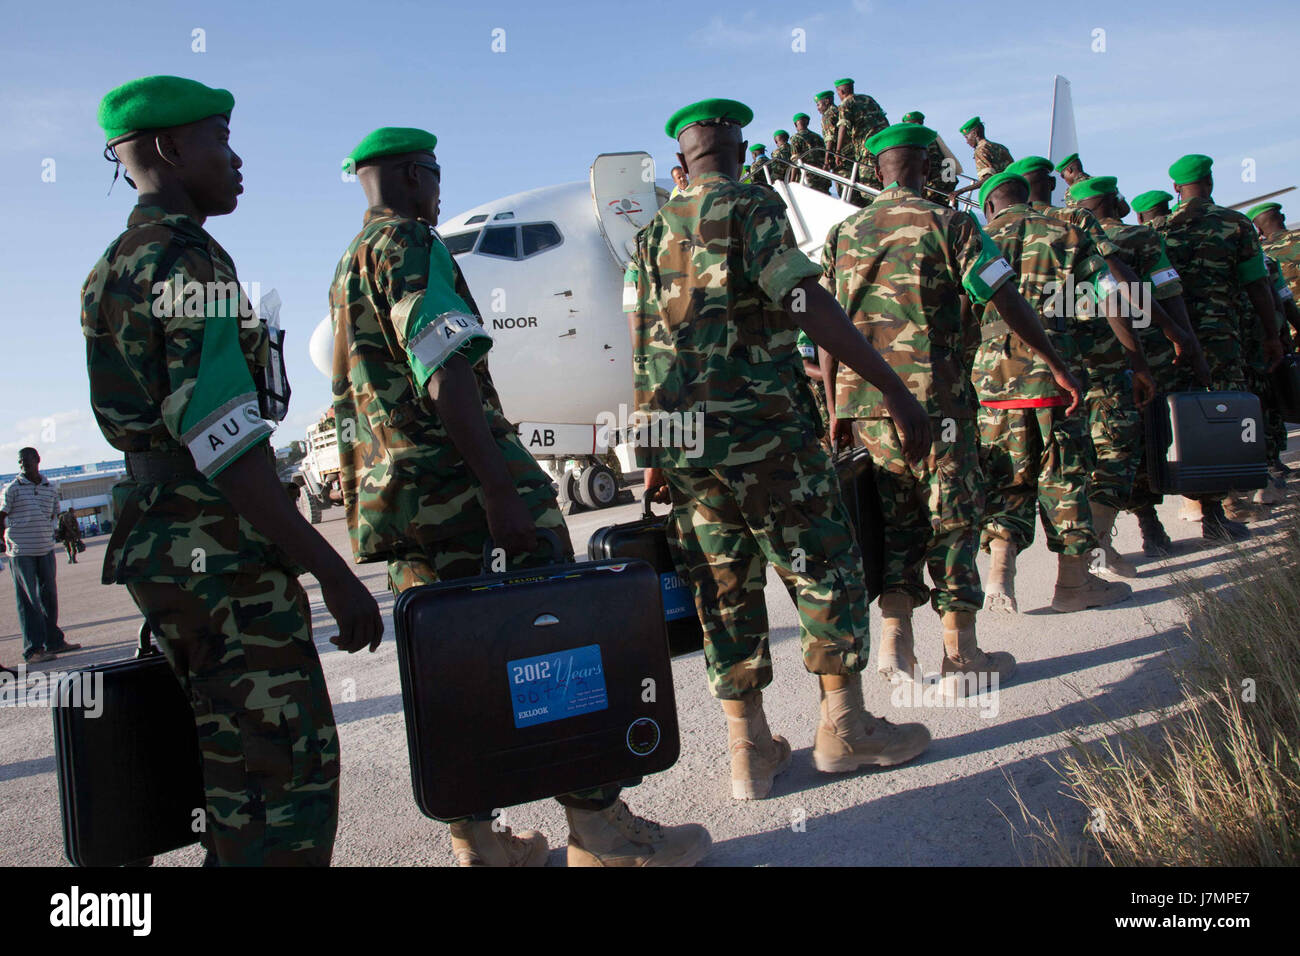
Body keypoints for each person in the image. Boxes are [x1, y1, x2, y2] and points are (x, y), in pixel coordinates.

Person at [332, 126, 709, 867]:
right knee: (562, 639)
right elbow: (446, 370)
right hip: (461, 496)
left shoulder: (346, 265)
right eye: (434, 175)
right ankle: (600, 834)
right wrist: (500, 489)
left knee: (449, 670)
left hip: (401, 507)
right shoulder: (410, 244)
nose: (438, 190)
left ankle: (477, 844)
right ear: (413, 177)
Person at [82, 75, 383, 866]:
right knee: (283, 780)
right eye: (221, 138)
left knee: (236, 768)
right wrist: (332, 572)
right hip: (217, 549)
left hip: (170, 542)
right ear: (171, 148)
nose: (238, 158)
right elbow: (228, 447)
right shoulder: (189, 264)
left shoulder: (115, 264)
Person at [629, 99, 933, 800]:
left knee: (723, 587)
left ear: (682, 161)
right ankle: (846, 732)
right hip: (764, 437)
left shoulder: (649, 236)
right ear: (737, 151)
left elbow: (642, 341)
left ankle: (750, 754)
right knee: (824, 564)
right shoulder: (750, 204)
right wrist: (889, 385)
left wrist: (651, 443)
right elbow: (801, 300)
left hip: (684, 446)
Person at [821, 123, 1081, 689]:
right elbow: (1002, 297)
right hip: (936, 402)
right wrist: (1054, 361)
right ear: (927, 167)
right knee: (953, 520)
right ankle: (961, 656)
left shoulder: (843, 232)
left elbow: (826, 326)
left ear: (876, 168)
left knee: (893, 521)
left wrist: (834, 406)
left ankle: (895, 648)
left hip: (863, 408)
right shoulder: (952, 224)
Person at [972, 171, 1144, 613]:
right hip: (1055, 378)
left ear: (990, 205)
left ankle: (1000, 575)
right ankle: (1072, 585)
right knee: (1063, 478)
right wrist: (1127, 363)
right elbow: (1107, 301)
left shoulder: (974, 237)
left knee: (1006, 478)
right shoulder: (1068, 233)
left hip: (990, 384)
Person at [1069, 175, 1203, 557]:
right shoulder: (1142, 238)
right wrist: (1184, 338)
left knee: (1111, 444)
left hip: (1094, 362)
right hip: (1150, 354)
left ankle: (1146, 524)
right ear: (1114, 202)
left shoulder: (1067, 240)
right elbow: (1167, 291)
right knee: (1157, 434)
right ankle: (1205, 508)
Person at [1159, 154, 1284, 540]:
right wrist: (1271, 333)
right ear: (1209, 182)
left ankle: (1196, 501)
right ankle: (1227, 504)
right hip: (1222, 336)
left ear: (1176, 189)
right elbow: (1257, 284)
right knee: (1225, 414)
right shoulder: (1235, 225)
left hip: (1177, 339)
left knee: (1186, 417)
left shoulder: (1161, 231)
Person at [0, 448, 81, 664]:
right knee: (29, 600)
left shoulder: (49, 488)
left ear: (38, 460)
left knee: (49, 598)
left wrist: (48, 533)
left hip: (45, 549)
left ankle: (54, 642)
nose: (23, 464)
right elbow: (1, 515)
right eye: (20, 461)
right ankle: (33, 650)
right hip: (21, 552)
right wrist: (4, 542)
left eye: (27, 460)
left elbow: (53, 514)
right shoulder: (12, 489)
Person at [833, 77, 888, 204]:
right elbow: (884, 120)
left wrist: (838, 151)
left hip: (867, 150)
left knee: (868, 190)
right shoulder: (868, 99)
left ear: (841, 92)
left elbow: (843, 125)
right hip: (885, 147)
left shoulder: (846, 104)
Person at [901, 110, 955, 205]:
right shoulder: (931, 138)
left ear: (920, 124)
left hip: (935, 187)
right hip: (939, 187)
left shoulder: (923, 141)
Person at [953, 117, 1012, 201]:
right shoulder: (1001, 147)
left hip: (998, 195)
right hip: (1013, 191)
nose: (966, 141)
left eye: (966, 137)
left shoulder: (980, 150)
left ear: (975, 133)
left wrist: (960, 191)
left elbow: (988, 178)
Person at [1055, 153, 1131, 217]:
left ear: (1069, 170)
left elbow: (1073, 219)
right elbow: (1125, 210)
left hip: (1092, 232)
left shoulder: (1072, 191)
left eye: (1063, 176)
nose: (1064, 179)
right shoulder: (1103, 183)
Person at [789, 113, 831, 193]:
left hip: (808, 175)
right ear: (807, 123)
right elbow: (825, 155)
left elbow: (796, 160)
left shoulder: (795, 138)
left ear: (795, 124)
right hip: (822, 174)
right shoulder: (818, 137)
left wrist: (792, 180)